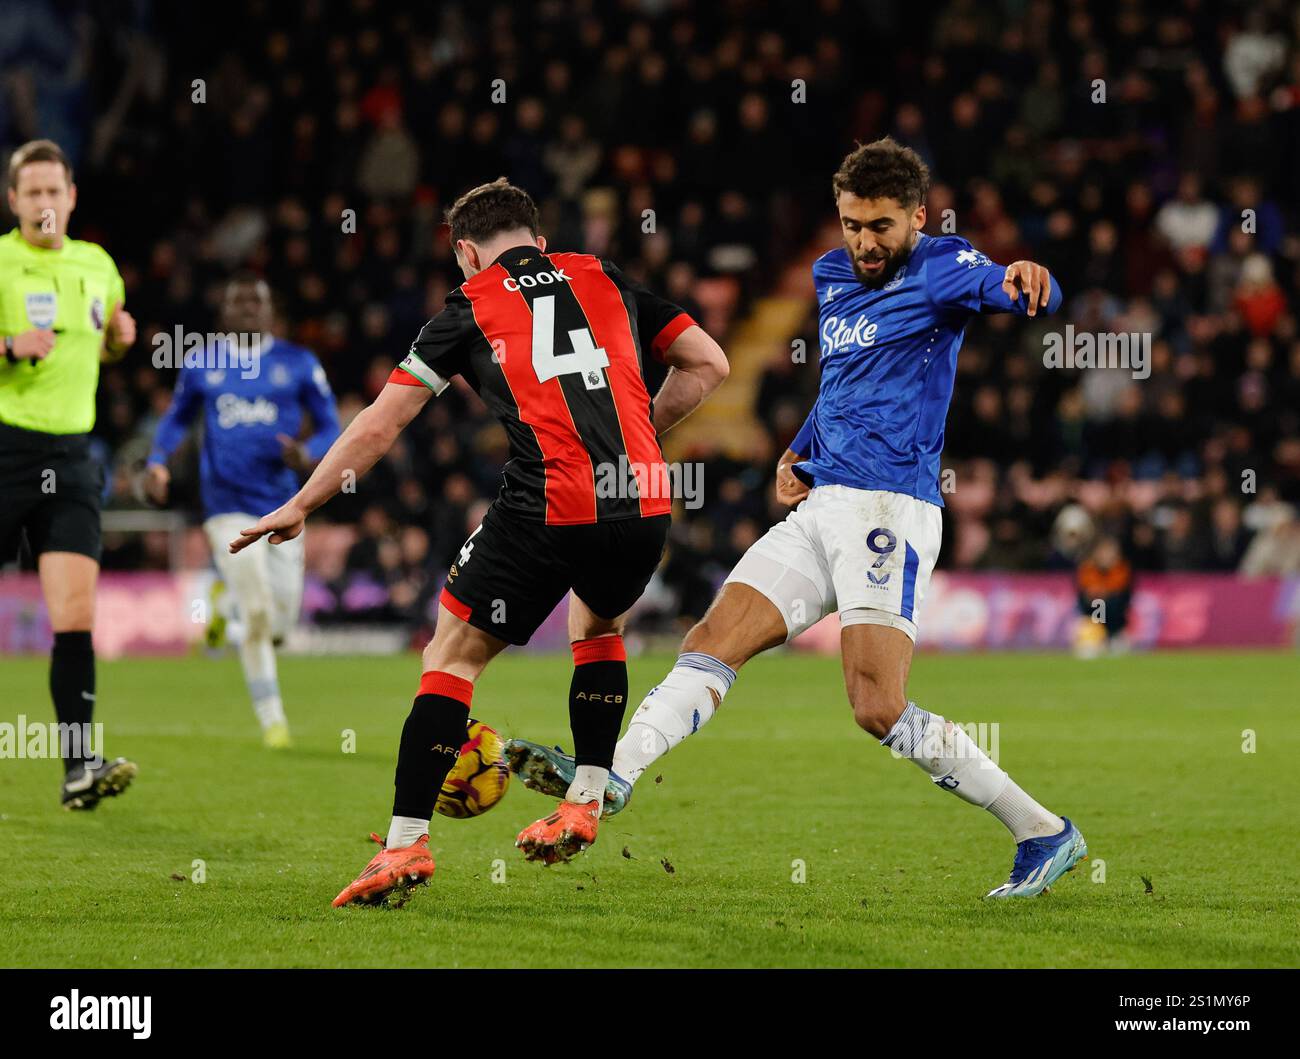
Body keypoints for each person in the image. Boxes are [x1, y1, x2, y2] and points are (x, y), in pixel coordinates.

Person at [507, 138, 1088, 899]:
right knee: (711, 641)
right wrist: (801, 445)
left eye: (880, 226)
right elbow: (843, 375)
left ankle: (1042, 830)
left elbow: (1012, 288)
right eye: (850, 223)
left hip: (889, 507)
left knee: (876, 706)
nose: (864, 242)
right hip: (822, 502)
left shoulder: (943, 265)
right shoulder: (832, 274)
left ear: (916, 216)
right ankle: (611, 777)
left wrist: (1027, 279)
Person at [229, 179, 728, 906]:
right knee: (599, 625)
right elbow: (709, 361)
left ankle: (404, 846)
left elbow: (380, 422)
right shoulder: (604, 274)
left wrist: (304, 500)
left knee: (451, 654)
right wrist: (638, 439)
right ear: (539, 239)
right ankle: (585, 798)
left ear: (466, 252)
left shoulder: (469, 305)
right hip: (645, 495)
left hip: (551, 498)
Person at [145, 275, 340, 746]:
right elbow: (176, 419)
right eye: (240, 301)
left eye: (259, 300)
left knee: (279, 626)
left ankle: (223, 607)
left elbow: (333, 426)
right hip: (225, 507)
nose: (250, 308)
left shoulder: (298, 363)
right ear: (225, 311)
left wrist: (308, 452)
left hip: (284, 507)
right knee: (258, 612)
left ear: (272, 311)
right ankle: (273, 720)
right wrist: (155, 461)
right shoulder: (201, 364)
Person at [0, 139, 137, 809]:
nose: (46, 203)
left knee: (75, 615)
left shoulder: (98, 264)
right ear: (14, 200)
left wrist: (119, 337)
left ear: (72, 196)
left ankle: (80, 765)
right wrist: (7, 345)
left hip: (73, 455)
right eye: (33, 193)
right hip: (4, 447)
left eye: (56, 191)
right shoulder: (0, 261)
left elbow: (101, 346)